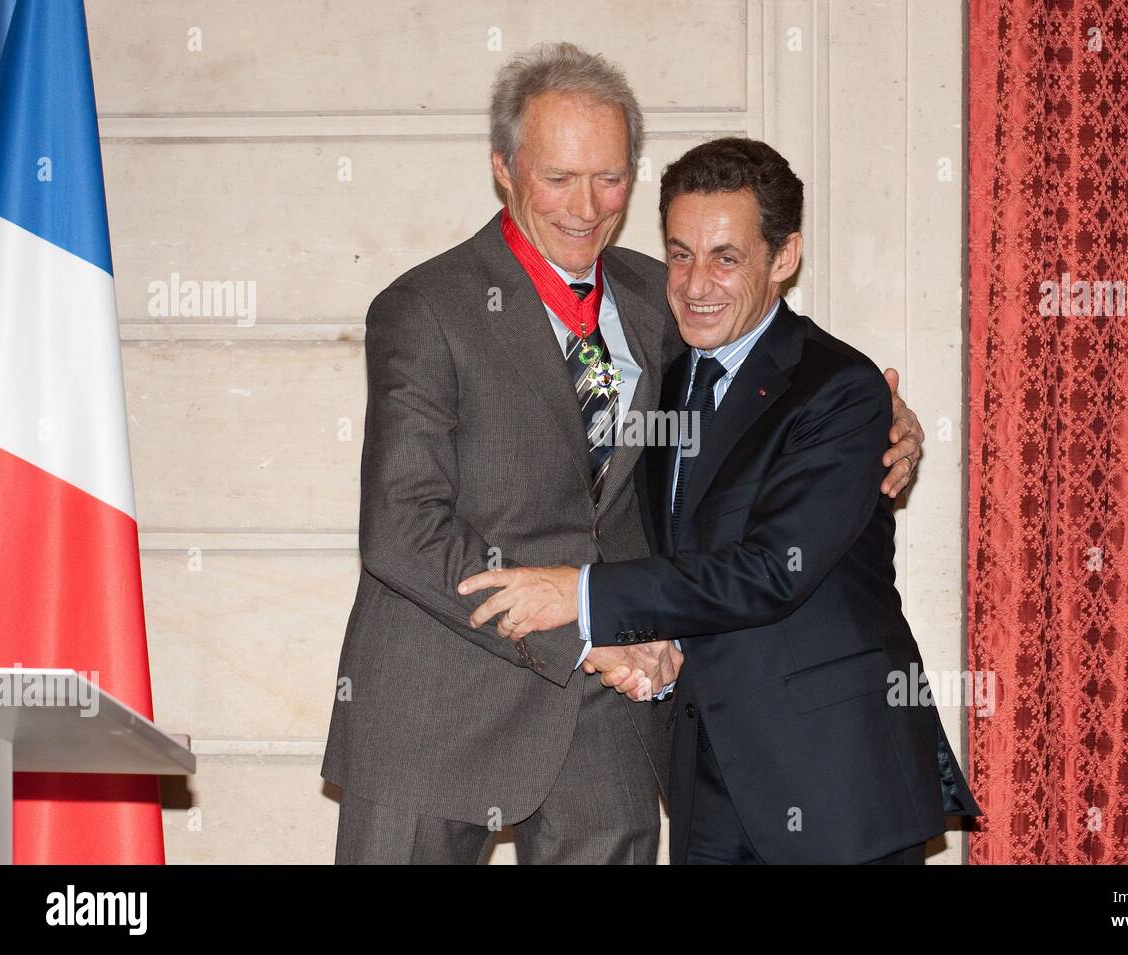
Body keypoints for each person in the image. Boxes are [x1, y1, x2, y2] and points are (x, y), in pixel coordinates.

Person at [322, 43, 928, 864]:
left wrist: (884, 417)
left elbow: (769, 381)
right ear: (504, 168)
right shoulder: (424, 309)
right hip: (438, 702)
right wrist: (581, 630)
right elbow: (402, 527)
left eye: (609, 178)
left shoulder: (662, 295)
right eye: (558, 177)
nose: (586, 206)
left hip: (605, 717)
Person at [459, 137, 979, 864]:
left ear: (785, 257)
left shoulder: (839, 389)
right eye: (679, 254)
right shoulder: (662, 376)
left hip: (835, 781)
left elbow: (771, 570)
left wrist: (576, 594)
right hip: (705, 777)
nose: (696, 283)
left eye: (726, 258)